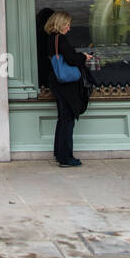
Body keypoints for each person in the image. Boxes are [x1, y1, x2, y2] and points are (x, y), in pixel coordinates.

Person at [44, 9, 93, 167]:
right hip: (66, 84)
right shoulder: (60, 39)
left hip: (56, 82)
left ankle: (60, 154)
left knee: (62, 118)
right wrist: (84, 57)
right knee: (68, 119)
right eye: (67, 24)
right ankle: (66, 158)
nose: (69, 28)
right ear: (60, 24)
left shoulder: (51, 39)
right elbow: (71, 60)